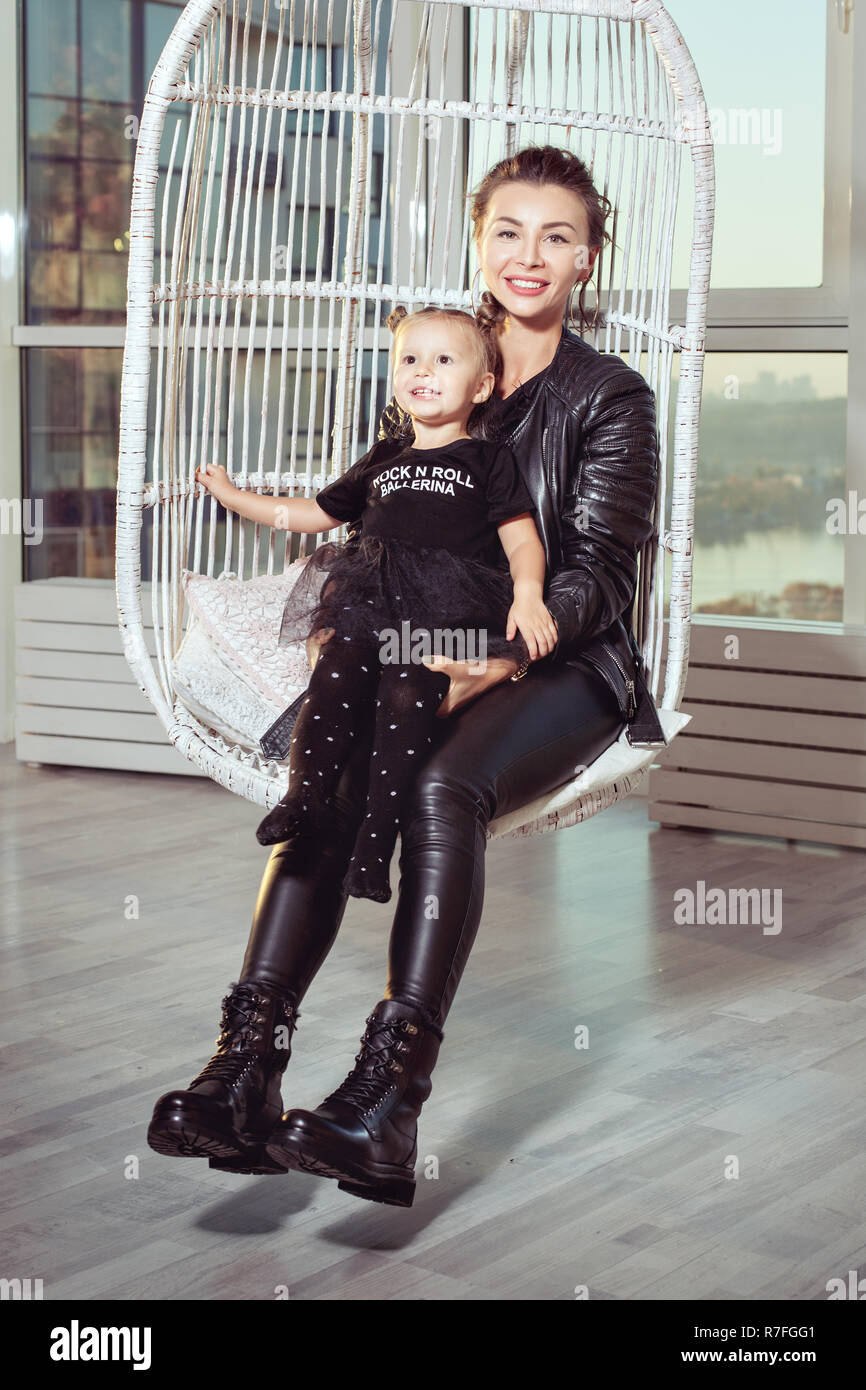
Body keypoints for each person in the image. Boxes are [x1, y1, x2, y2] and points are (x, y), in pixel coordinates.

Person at [146, 143, 667, 1209]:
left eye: (556, 236)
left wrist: (497, 660)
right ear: (478, 239)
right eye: (507, 230)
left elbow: (600, 576)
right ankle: (244, 1068)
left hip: (564, 662)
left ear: (587, 260)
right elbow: (376, 532)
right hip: (412, 643)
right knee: (328, 767)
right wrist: (336, 627)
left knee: (438, 787)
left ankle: (388, 1099)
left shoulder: (609, 397)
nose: (528, 254)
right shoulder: (435, 366)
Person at [195, 305, 555, 904]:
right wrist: (234, 496)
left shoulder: (488, 460)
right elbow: (313, 515)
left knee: (409, 693)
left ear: (482, 386)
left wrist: (527, 593)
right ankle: (303, 797)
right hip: (371, 601)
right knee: (335, 673)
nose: (424, 371)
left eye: (444, 361)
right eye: (410, 359)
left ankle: (375, 842)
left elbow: (521, 538)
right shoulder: (384, 458)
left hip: (447, 612)